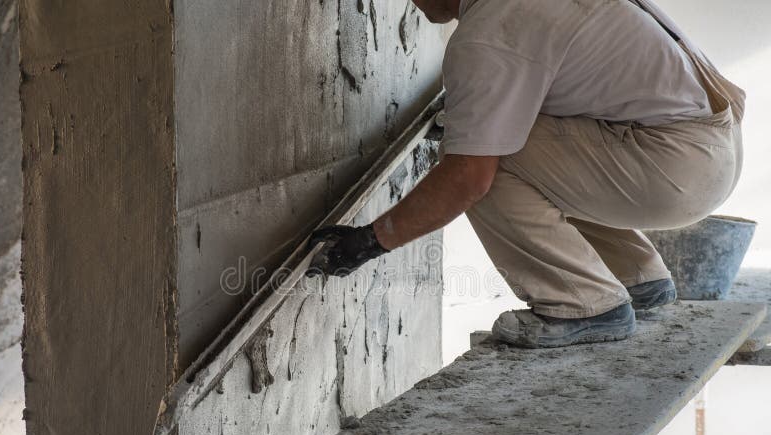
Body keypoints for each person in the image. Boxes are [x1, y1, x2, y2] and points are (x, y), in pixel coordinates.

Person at [307, 0, 745, 349]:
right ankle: (636, 275)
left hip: (673, 166)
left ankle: (583, 303)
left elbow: (468, 178)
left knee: (488, 159)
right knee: (503, 141)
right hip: (710, 148)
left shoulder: (488, 32)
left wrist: (371, 241)